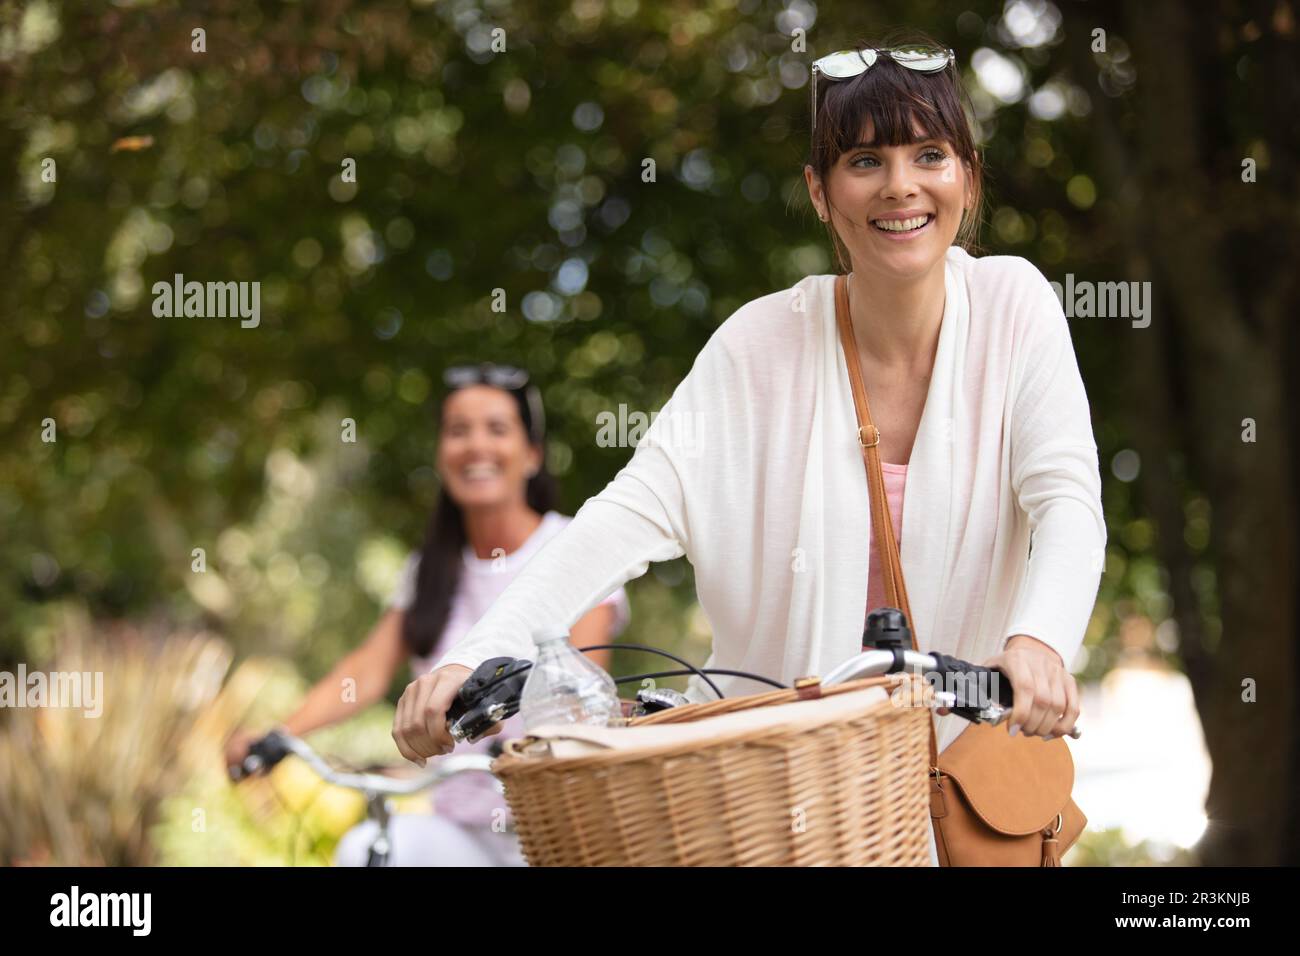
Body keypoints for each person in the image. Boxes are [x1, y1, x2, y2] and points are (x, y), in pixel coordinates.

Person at [392, 32, 1106, 867]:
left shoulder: (1014, 305)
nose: (902, 186)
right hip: (777, 801)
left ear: (968, 175)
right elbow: (624, 515)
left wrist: (1040, 642)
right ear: (820, 191)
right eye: (865, 160)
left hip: (960, 788)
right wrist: (476, 657)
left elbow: (1066, 500)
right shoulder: (759, 344)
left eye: (931, 153)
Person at [225, 363, 630, 865]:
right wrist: (279, 736)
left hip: (556, 830)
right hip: (459, 832)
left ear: (532, 455)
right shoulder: (428, 571)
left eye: (497, 429)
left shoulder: (572, 545)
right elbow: (366, 672)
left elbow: (583, 682)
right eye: (458, 431)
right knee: (368, 850)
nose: (476, 445)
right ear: (441, 454)